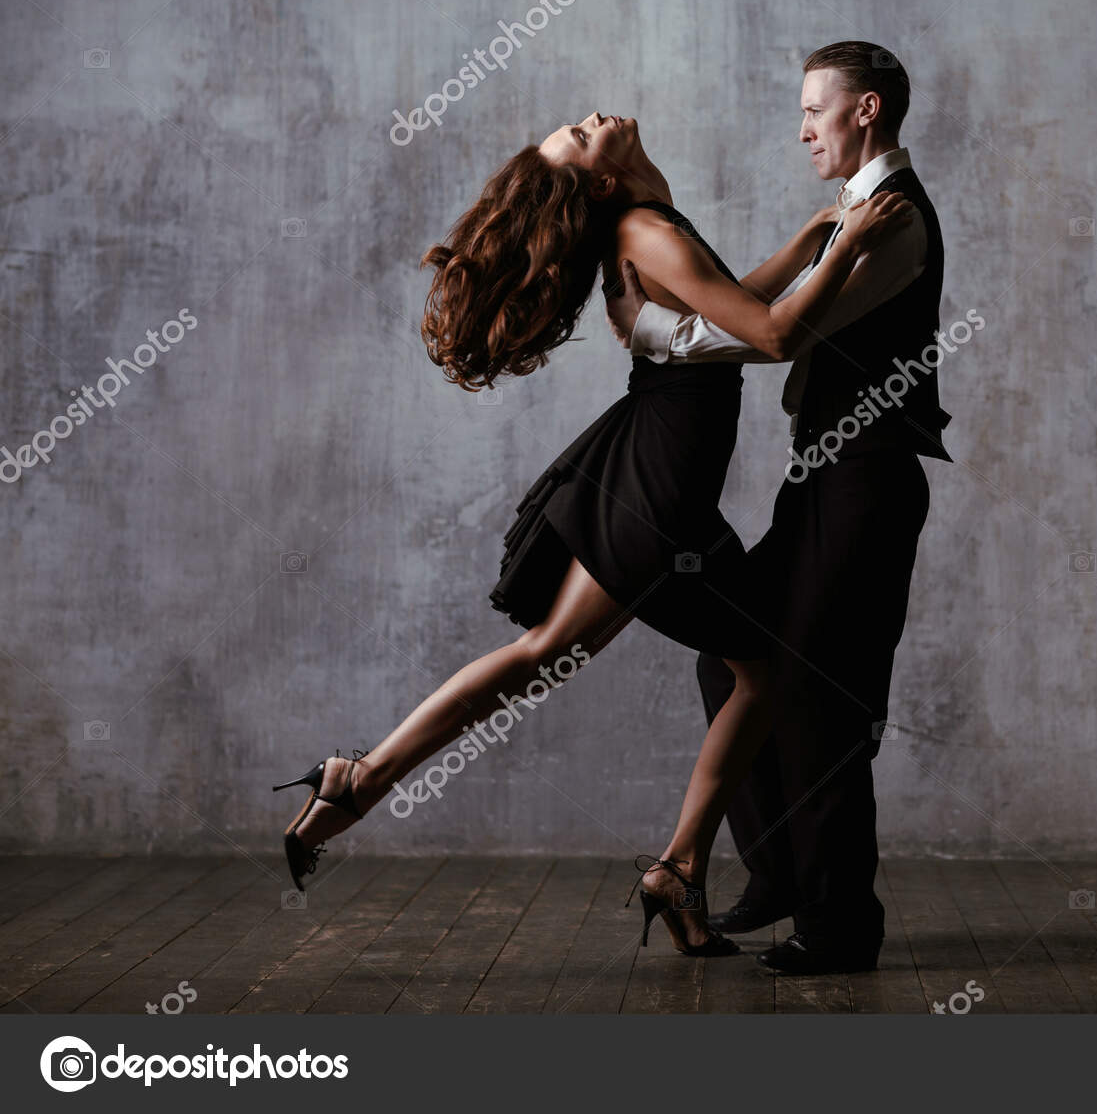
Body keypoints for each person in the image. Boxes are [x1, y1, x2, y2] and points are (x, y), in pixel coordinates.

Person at [271, 110, 913, 957]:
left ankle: (364, 778)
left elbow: (719, 317)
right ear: (602, 180)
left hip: (645, 474)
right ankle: (674, 865)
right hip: (657, 490)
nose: (583, 121)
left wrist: (803, 245)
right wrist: (845, 247)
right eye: (576, 138)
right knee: (759, 669)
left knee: (561, 655)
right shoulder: (644, 229)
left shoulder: (648, 216)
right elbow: (772, 335)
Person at [605, 42, 951, 974]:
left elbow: (771, 337)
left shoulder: (892, 221)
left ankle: (840, 924)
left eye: (814, 110)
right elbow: (769, 305)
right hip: (825, 475)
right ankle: (785, 875)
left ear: (866, 111)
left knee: (821, 699)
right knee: (736, 663)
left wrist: (647, 329)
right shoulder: (851, 213)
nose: (802, 129)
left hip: (868, 478)